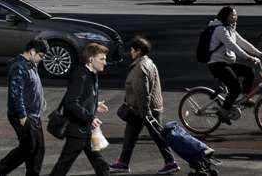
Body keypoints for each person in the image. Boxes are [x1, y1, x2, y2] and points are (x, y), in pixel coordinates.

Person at [110, 37, 177, 175]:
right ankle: (123, 163)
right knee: (130, 136)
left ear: (138, 51)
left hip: (143, 110)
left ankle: (171, 162)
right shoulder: (149, 62)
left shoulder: (140, 67)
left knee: (157, 136)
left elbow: (142, 92)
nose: (131, 53)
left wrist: (145, 113)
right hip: (147, 108)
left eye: (132, 50)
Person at [48, 43, 111, 176]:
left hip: (85, 128)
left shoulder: (92, 73)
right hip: (78, 130)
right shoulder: (80, 75)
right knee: (63, 165)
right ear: (91, 59)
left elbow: (82, 97)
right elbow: (70, 102)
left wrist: (95, 104)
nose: (105, 62)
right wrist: (91, 117)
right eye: (102, 59)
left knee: (100, 164)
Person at [0, 39, 49, 176]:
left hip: (34, 114)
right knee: (28, 147)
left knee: (38, 148)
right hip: (23, 115)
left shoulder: (31, 64)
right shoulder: (19, 66)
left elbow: (33, 86)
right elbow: (15, 93)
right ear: (32, 51)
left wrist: (41, 101)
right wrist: (22, 115)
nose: (42, 59)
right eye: (41, 56)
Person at [204, 6, 262, 122]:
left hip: (226, 63)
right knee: (236, 87)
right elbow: (233, 46)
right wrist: (249, 57)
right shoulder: (220, 30)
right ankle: (223, 112)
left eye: (236, 15)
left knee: (249, 72)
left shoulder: (230, 29)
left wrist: (259, 53)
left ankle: (245, 98)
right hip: (217, 64)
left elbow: (242, 42)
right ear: (225, 16)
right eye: (233, 15)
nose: (235, 17)